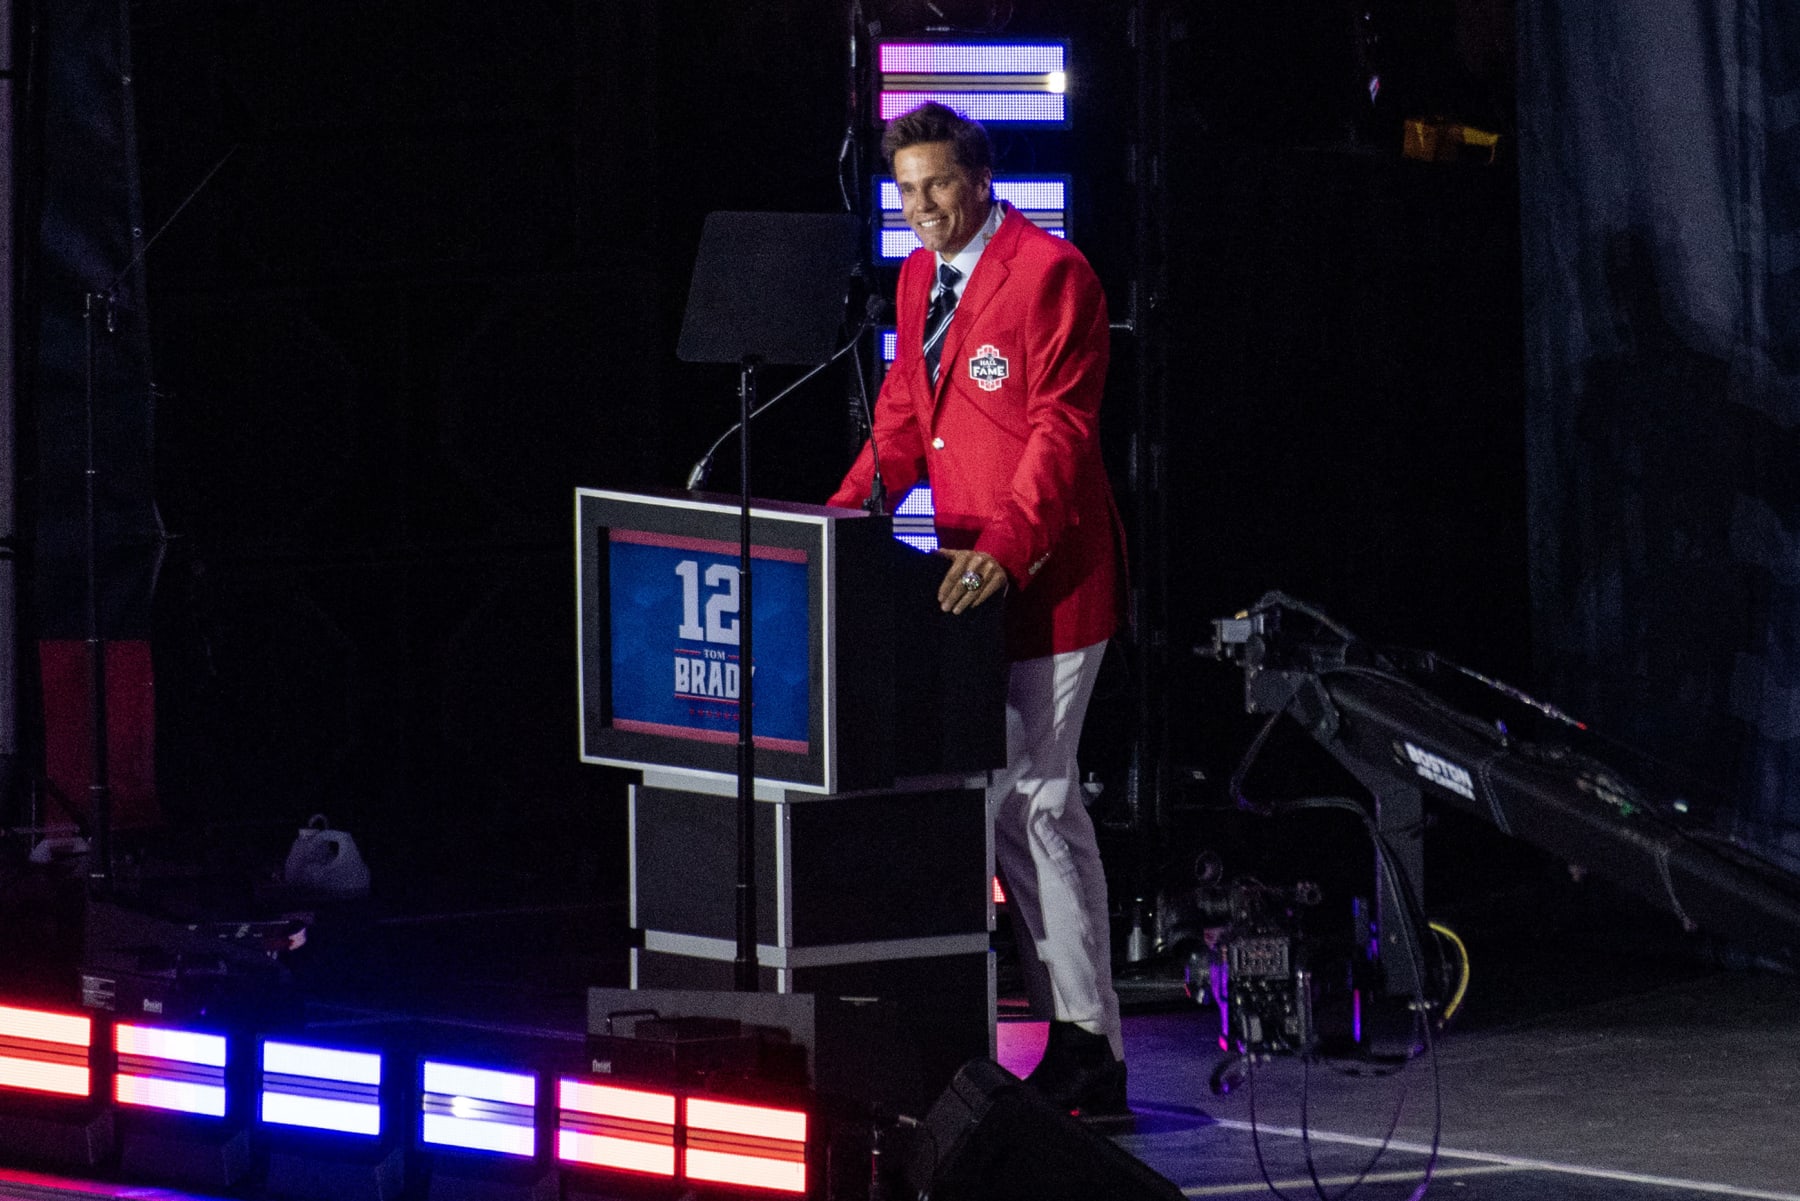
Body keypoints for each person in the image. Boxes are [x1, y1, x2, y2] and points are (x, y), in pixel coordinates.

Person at [828, 102, 1128, 1116]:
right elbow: (907, 418)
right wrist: (839, 523)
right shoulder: (917, 278)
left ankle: (1091, 1043)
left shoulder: (1052, 274)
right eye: (907, 192)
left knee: (1041, 801)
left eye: (940, 187)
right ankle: (1071, 1031)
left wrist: (1007, 548)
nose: (923, 211)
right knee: (1005, 811)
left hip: (1049, 579)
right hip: (958, 590)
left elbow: (1060, 430)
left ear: (982, 180)